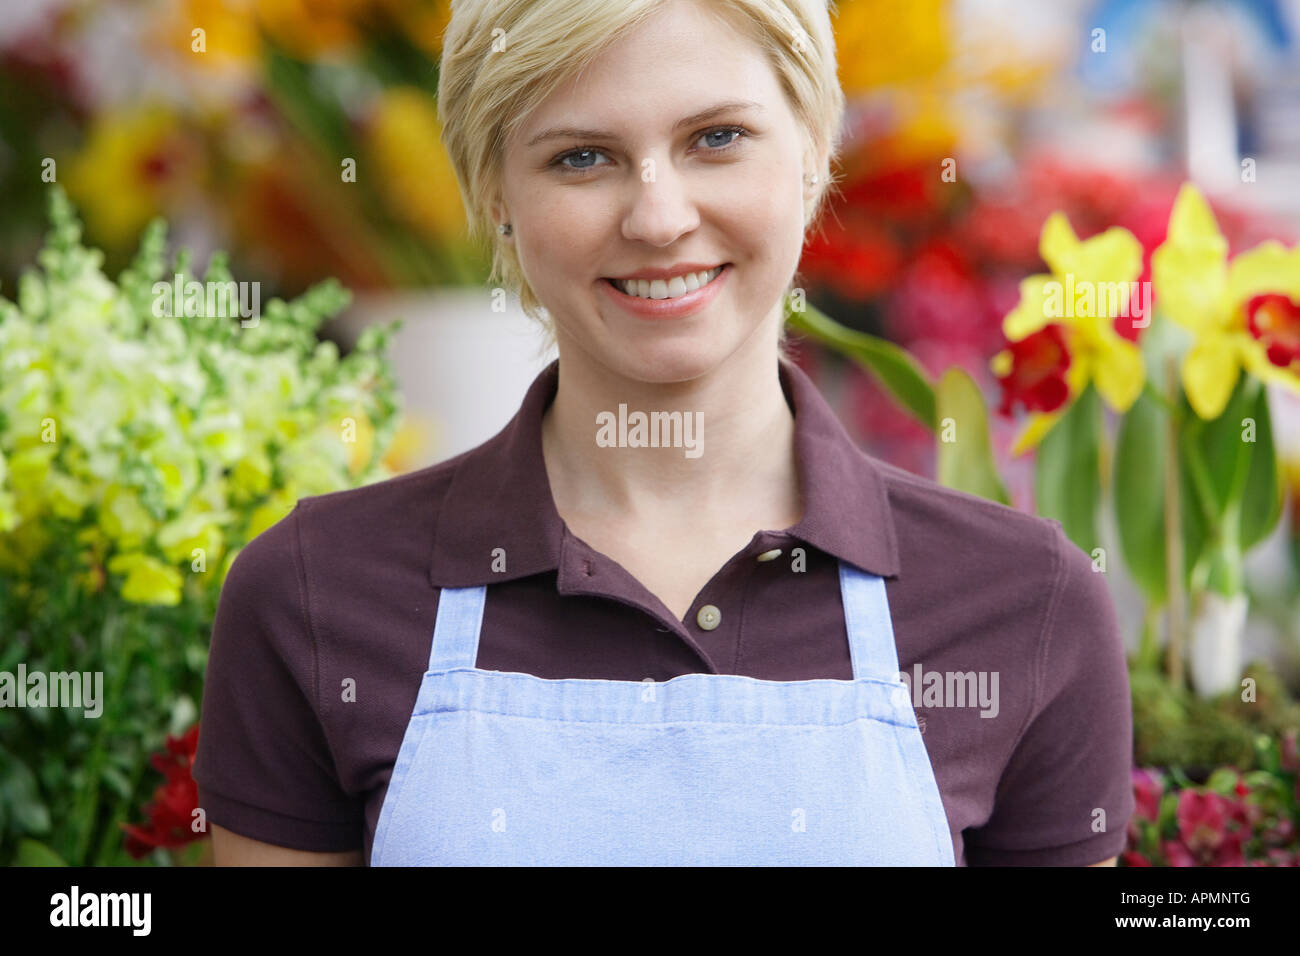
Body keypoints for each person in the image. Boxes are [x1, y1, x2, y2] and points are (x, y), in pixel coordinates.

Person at [194, 0, 1133, 865]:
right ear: (494, 199)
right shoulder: (314, 593)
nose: (658, 217)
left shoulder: (1024, 602)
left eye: (717, 138)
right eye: (581, 158)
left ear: (812, 152)